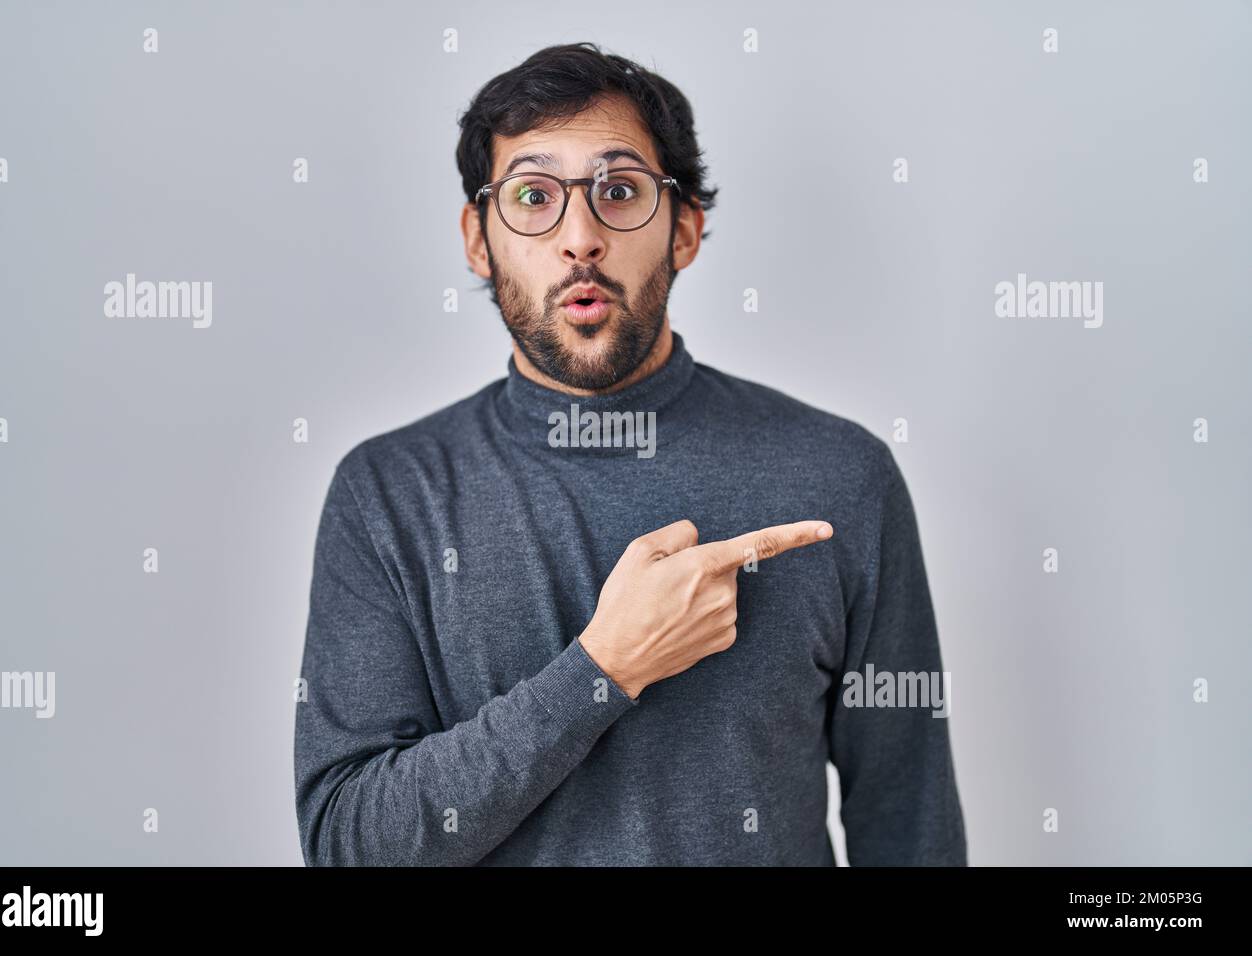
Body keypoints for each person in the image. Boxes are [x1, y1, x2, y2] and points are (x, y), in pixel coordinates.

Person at [294, 42, 966, 866]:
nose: (580, 238)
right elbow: (348, 845)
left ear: (684, 230)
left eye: (619, 192)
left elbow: (910, 824)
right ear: (479, 239)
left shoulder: (839, 475)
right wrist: (604, 666)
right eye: (533, 196)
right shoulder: (387, 494)